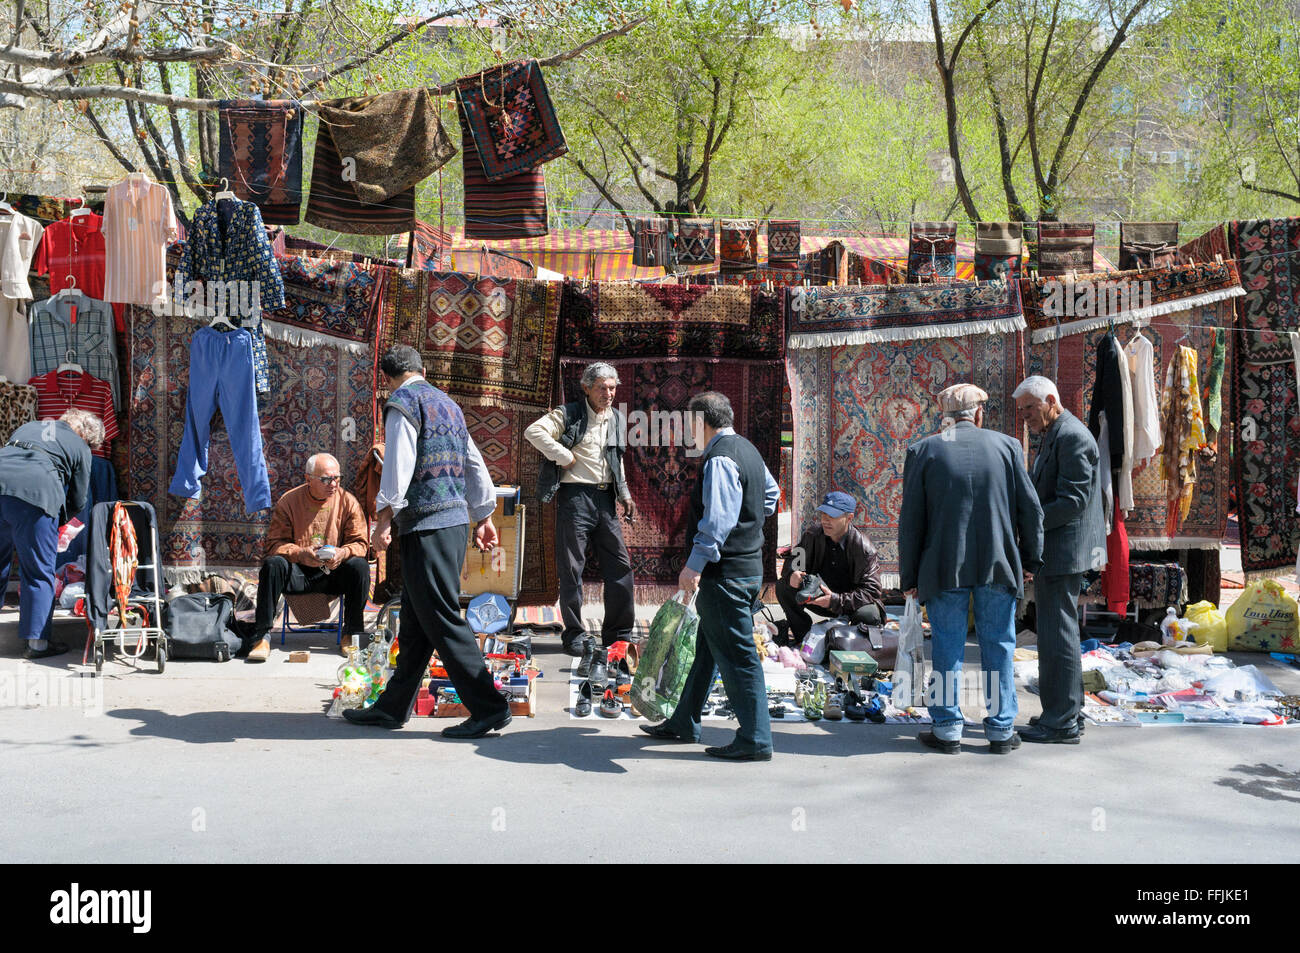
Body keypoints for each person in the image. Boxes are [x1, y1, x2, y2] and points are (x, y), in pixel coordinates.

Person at [344, 345, 511, 739]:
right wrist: (483, 515)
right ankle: (392, 707)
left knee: (441, 616)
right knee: (419, 621)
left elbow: (399, 463)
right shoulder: (448, 404)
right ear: (422, 368)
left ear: (388, 378)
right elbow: (473, 461)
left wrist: (384, 517)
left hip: (427, 525)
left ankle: (490, 707)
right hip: (452, 525)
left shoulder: (403, 402)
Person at [899, 383, 1043, 754]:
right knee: (998, 645)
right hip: (997, 563)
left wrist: (909, 577)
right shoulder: (1008, 447)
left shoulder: (924, 450)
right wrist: (1030, 561)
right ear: (979, 414)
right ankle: (999, 729)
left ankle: (947, 728)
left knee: (947, 646)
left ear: (944, 418)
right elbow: (1031, 511)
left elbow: (911, 521)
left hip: (944, 567)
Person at [641, 392, 780, 761]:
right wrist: (747, 526)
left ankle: (755, 739)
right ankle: (684, 720)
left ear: (702, 421)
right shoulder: (746, 449)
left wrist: (695, 564)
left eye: (689, 423)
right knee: (707, 651)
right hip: (747, 570)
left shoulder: (719, 458)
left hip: (726, 575)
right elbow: (770, 495)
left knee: (738, 657)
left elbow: (717, 520)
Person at [524, 361, 636, 684]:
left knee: (620, 566)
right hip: (575, 498)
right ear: (586, 387)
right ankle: (574, 633)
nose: (609, 393)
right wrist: (564, 457)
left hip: (605, 499)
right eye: (602, 387)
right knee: (571, 568)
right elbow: (534, 432)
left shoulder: (615, 417)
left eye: (613, 388)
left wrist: (624, 492)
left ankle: (618, 632)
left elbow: (617, 458)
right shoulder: (569, 413)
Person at [1014, 375, 1105, 745]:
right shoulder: (1058, 432)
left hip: (1063, 551)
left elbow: (1073, 500)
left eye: (1030, 410)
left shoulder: (1072, 436)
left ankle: (1062, 721)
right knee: (1055, 634)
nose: (1025, 419)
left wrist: (1030, 525)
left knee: (1058, 636)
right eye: (1021, 412)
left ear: (1051, 400)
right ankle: (1064, 713)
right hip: (1058, 549)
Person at [246, 453, 371, 661]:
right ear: (308, 479)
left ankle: (351, 633)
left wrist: (343, 553)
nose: (333, 483)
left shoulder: (348, 501)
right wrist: (300, 554)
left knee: (359, 566)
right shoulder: (290, 500)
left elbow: (360, 543)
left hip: (332, 572)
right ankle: (261, 637)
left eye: (337, 478)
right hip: (299, 572)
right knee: (273, 564)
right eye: (325, 479)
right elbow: (274, 545)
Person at [0, 409, 103, 659]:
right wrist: (60, 523)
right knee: (38, 572)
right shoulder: (80, 446)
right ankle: (37, 645)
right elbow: (79, 497)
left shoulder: (29, 426)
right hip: (35, 494)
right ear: (85, 435)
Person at [776, 490, 884, 644]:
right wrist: (792, 573)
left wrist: (834, 601)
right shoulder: (812, 535)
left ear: (849, 518)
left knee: (869, 613)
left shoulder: (864, 549)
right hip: (817, 596)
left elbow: (871, 591)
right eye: (823, 516)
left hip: (848, 603)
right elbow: (794, 560)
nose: (826, 521)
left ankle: (851, 644)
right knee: (783, 587)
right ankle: (804, 638)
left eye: (832, 517)